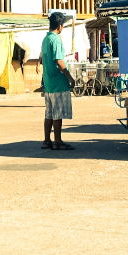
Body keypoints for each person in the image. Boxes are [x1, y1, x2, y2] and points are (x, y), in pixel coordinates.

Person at [41, 11, 76, 150]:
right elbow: (59, 61)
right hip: (58, 83)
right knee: (57, 114)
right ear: (60, 26)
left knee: (49, 114)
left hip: (49, 84)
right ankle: (58, 141)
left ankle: (46, 140)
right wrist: (69, 76)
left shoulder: (45, 39)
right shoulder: (55, 39)